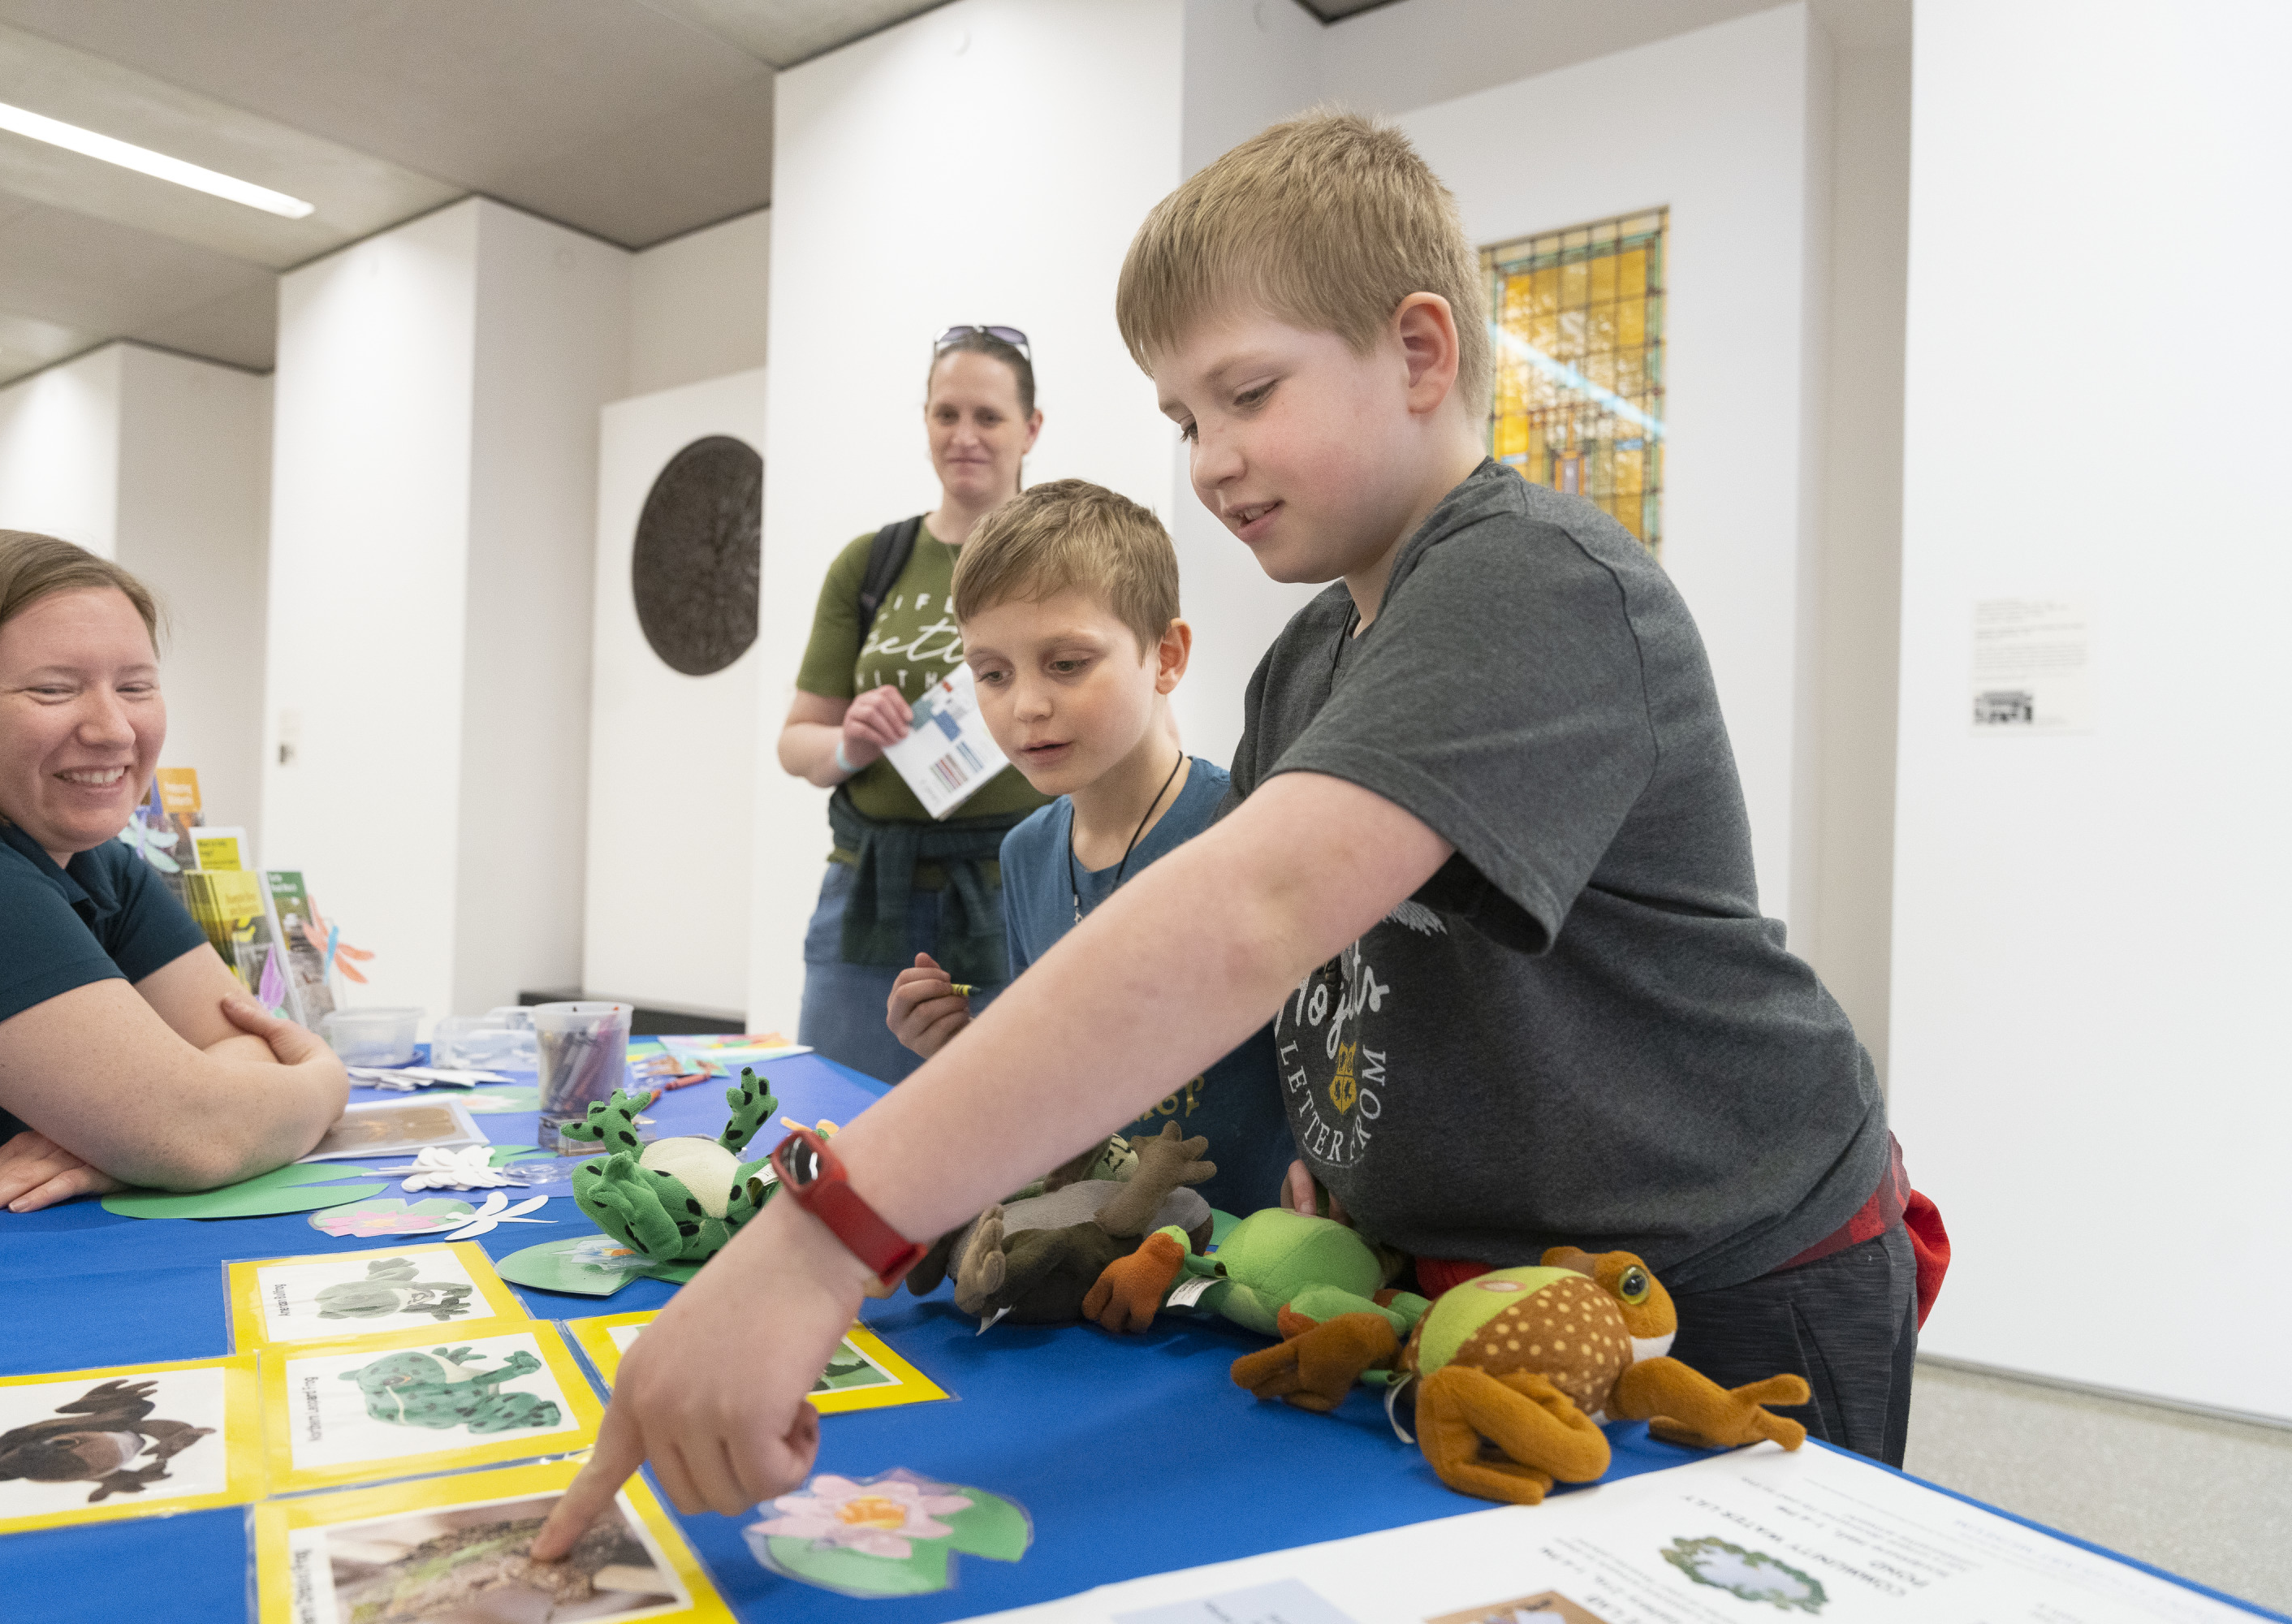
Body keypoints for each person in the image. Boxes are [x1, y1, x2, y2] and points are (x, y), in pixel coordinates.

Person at [534, 111, 1914, 1546]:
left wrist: (821, 1242)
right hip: (1454, 1280)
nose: (1209, 459)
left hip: (1715, 1265)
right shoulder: (1308, 659)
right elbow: (1314, 969)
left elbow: (1246, 918)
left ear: (1421, 353)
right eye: (1186, 419)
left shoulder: (1536, 580)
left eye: (1248, 393)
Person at [0, 530, 350, 1338]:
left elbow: (239, 1053)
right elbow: (202, 1127)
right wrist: (323, 1077)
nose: (113, 728)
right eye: (54, 690)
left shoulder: (95, 860)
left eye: (137, 686)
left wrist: (118, 1138)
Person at [883, 480, 1293, 1216]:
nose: (1026, 706)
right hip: (1100, 1244)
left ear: (1165, 657)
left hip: (1247, 1249)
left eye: (1067, 664)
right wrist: (959, 1050)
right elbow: (1049, 1086)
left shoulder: (1243, 827)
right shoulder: (1025, 855)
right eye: (992, 673)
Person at [775, 326, 1055, 1083]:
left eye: (989, 417)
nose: (964, 437)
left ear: (1031, 429)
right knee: (836, 1123)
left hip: (1016, 894)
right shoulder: (871, 564)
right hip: (868, 898)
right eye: (946, 414)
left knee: (1005, 1136)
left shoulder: (1064, 562)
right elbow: (797, 740)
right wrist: (849, 746)